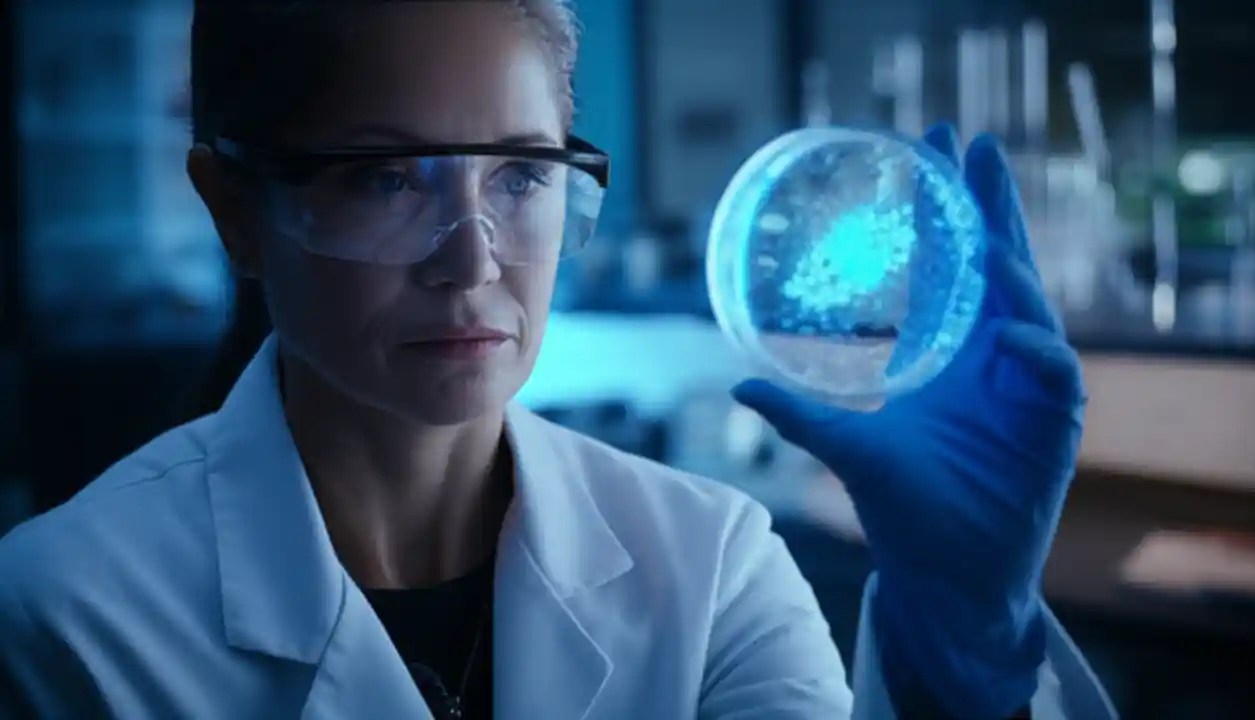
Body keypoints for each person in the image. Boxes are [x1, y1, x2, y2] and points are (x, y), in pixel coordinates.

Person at [0, 2, 1116, 718]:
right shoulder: (63, 617)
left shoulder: (711, 568)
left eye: (522, 176)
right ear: (236, 210)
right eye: (385, 180)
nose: (470, 260)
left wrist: (963, 636)